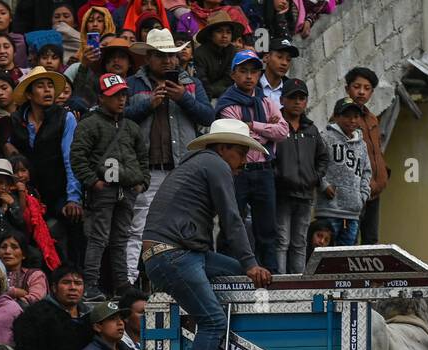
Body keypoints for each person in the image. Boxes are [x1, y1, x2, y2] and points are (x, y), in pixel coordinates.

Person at [141, 118, 270, 350]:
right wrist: (252, 263)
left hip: (177, 254)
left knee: (235, 270)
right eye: (241, 153)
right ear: (224, 148)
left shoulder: (197, 163)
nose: (243, 163)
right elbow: (232, 218)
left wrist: (246, 266)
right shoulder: (216, 165)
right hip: (174, 255)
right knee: (213, 321)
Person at [124, 28, 214, 285]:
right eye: (161, 56)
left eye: (172, 55)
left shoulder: (191, 84)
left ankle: (189, 280)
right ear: (148, 58)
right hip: (148, 169)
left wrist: (183, 98)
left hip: (184, 168)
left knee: (186, 227)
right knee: (138, 227)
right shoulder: (132, 84)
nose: (168, 61)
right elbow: (119, 118)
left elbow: (208, 117)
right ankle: (131, 282)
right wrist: (147, 104)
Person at [72, 73, 149, 301]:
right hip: (103, 190)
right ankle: (91, 285)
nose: (121, 99)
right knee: (99, 237)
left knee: (121, 238)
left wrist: (142, 182)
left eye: (124, 94)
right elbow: (77, 157)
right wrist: (93, 181)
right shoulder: (90, 124)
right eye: (115, 95)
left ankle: (122, 284)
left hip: (127, 190)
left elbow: (142, 156)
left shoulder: (131, 127)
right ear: (101, 98)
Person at [215, 49, 286, 272]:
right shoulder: (227, 103)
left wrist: (253, 125)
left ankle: (270, 272)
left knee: (267, 227)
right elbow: (236, 135)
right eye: (243, 71)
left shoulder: (266, 101)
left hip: (264, 169)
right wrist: (267, 128)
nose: (249, 77)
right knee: (231, 223)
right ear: (233, 74)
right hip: (237, 171)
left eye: (254, 72)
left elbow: (283, 131)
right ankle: (228, 271)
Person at [10, 67, 83, 258]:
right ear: (29, 94)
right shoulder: (16, 121)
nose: (48, 90)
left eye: (50, 86)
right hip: (29, 192)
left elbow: (71, 159)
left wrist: (73, 197)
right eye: (41, 86)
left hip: (58, 191)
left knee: (72, 224)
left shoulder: (65, 118)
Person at [12, 262, 91, 350]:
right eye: (66, 282)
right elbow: (27, 349)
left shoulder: (90, 317)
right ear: (54, 287)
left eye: (78, 283)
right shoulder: (36, 314)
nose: (72, 288)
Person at [273, 78, 326, 274]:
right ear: (282, 100)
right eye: (292, 97)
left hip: (305, 195)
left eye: (302, 98)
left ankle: (298, 282)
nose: (297, 102)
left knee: (299, 242)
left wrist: (315, 177)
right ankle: (280, 283)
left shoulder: (311, 129)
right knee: (281, 240)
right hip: (283, 194)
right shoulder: (275, 124)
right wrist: (279, 176)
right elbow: (266, 155)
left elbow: (323, 158)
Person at [315, 97, 371, 246]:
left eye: (356, 116)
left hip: (353, 213)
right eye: (347, 116)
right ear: (336, 116)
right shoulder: (325, 137)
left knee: (346, 259)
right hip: (329, 210)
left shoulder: (362, 144)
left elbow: (366, 171)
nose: (352, 120)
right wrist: (323, 185)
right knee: (325, 255)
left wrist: (363, 195)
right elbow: (314, 164)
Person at [343, 67, 388, 245]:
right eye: (357, 86)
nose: (361, 92)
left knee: (371, 240)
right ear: (347, 89)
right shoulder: (343, 117)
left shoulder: (371, 118)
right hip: (354, 190)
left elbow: (376, 151)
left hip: (375, 190)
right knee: (350, 240)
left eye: (367, 88)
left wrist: (383, 176)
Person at [192, 12, 241, 102]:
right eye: (219, 31)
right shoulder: (200, 53)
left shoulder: (232, 51)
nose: (224, 36)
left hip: (227, 93)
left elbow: (229, 78)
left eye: (228, 32)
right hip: (203, 96)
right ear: (210, 35)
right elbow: (201, 79)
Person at [0, 233, 49, 305]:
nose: (7, 251)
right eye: (3, 247)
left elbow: (36, 299)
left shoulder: (35, 275)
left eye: (14, 247)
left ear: (24, 254)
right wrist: (14, 292)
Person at [258, 37, 297, 113]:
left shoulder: (293, 90)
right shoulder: (251, 85)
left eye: (288, 60)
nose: (284, 63)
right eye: (279, 57)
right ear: (266, 58)